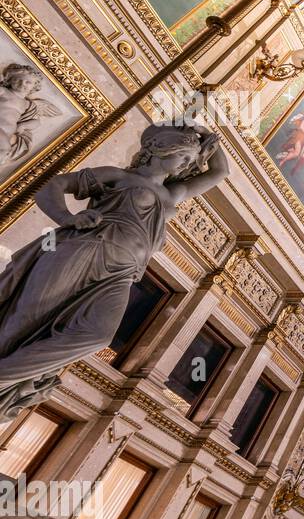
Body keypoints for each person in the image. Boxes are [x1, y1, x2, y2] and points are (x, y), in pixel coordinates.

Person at [0, 119, 228, 418]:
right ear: (158, 147)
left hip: (122, 275)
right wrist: (67, 218)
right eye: (183, 156)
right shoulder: (119, 177)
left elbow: (220, 172)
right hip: (85, 249)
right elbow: (51, 186)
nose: (184, 166)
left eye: (188, 161)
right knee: (23, 324)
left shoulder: (171, 196)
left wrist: (210, 138)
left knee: (96, 335)